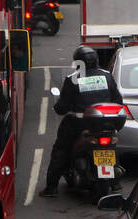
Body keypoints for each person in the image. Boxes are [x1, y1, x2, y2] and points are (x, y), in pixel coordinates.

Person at [41, 45, 123, 197]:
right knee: (113, 146)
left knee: (61, 150)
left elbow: (62, 107)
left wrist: (59, 107)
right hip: (105, 124)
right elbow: (118, 100)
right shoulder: (107, 76)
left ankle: (51, 187)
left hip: (78, 125)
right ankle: (116, 183)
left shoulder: (73, 79)